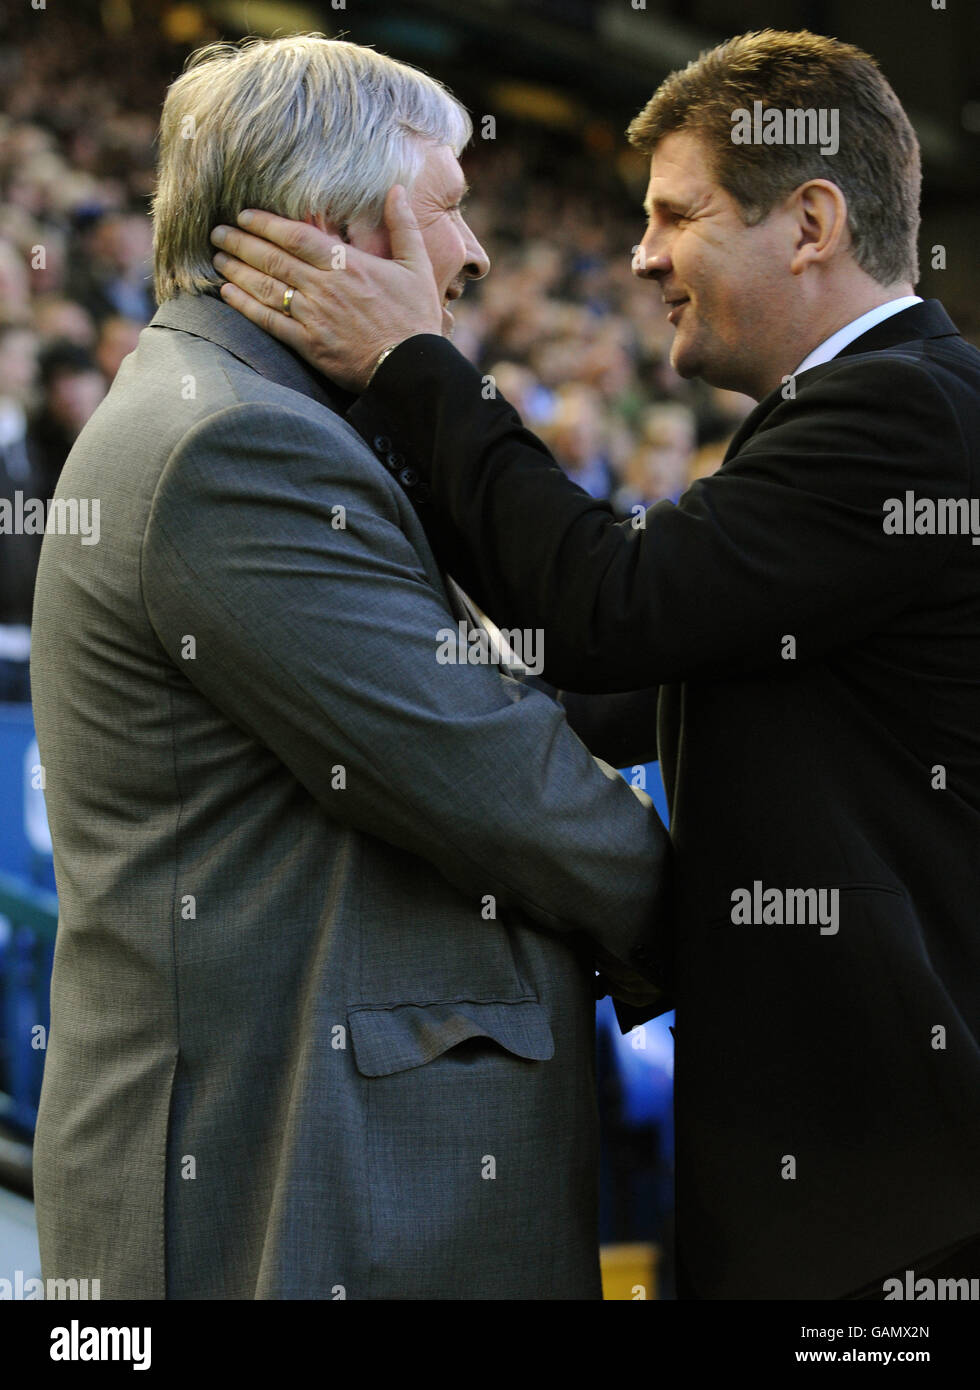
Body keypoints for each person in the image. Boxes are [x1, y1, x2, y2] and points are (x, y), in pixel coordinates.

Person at [211, 28, 980, 1298]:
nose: (638, 256)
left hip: (895, 1200)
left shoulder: (902, 411)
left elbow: (605, 608)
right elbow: (612, 691)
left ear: (808, 222)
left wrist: (415, 367)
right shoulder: (865, 415)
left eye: (674, 215)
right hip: (863, 1184)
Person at [30, 35, 671, 1301]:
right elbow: (492, 769)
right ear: (327, 229)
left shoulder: (263, 417)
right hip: (294, 1189)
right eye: (445, 208)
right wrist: (726, 925)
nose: (474, 253)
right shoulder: (237, 446)